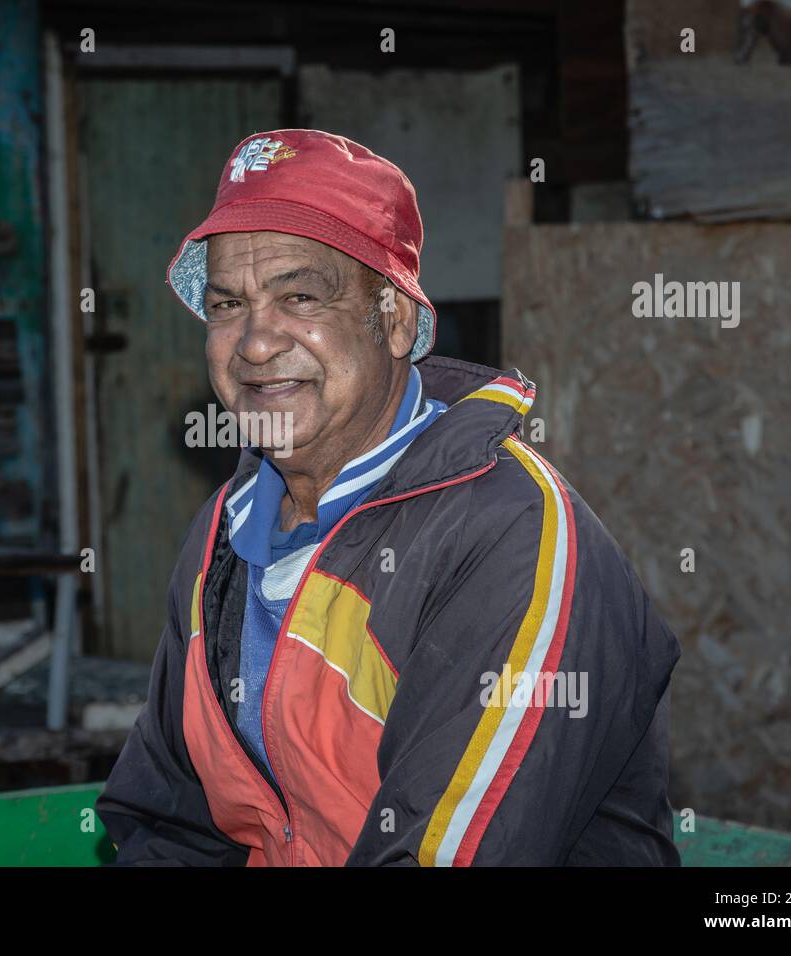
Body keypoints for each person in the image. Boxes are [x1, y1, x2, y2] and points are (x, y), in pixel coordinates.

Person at [95, 129, 681, 866]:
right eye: (226, 304)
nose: (252, 343)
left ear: (395, 320)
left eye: (299, 295)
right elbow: (169, 821)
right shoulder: (226, 533)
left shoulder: (510, 536)